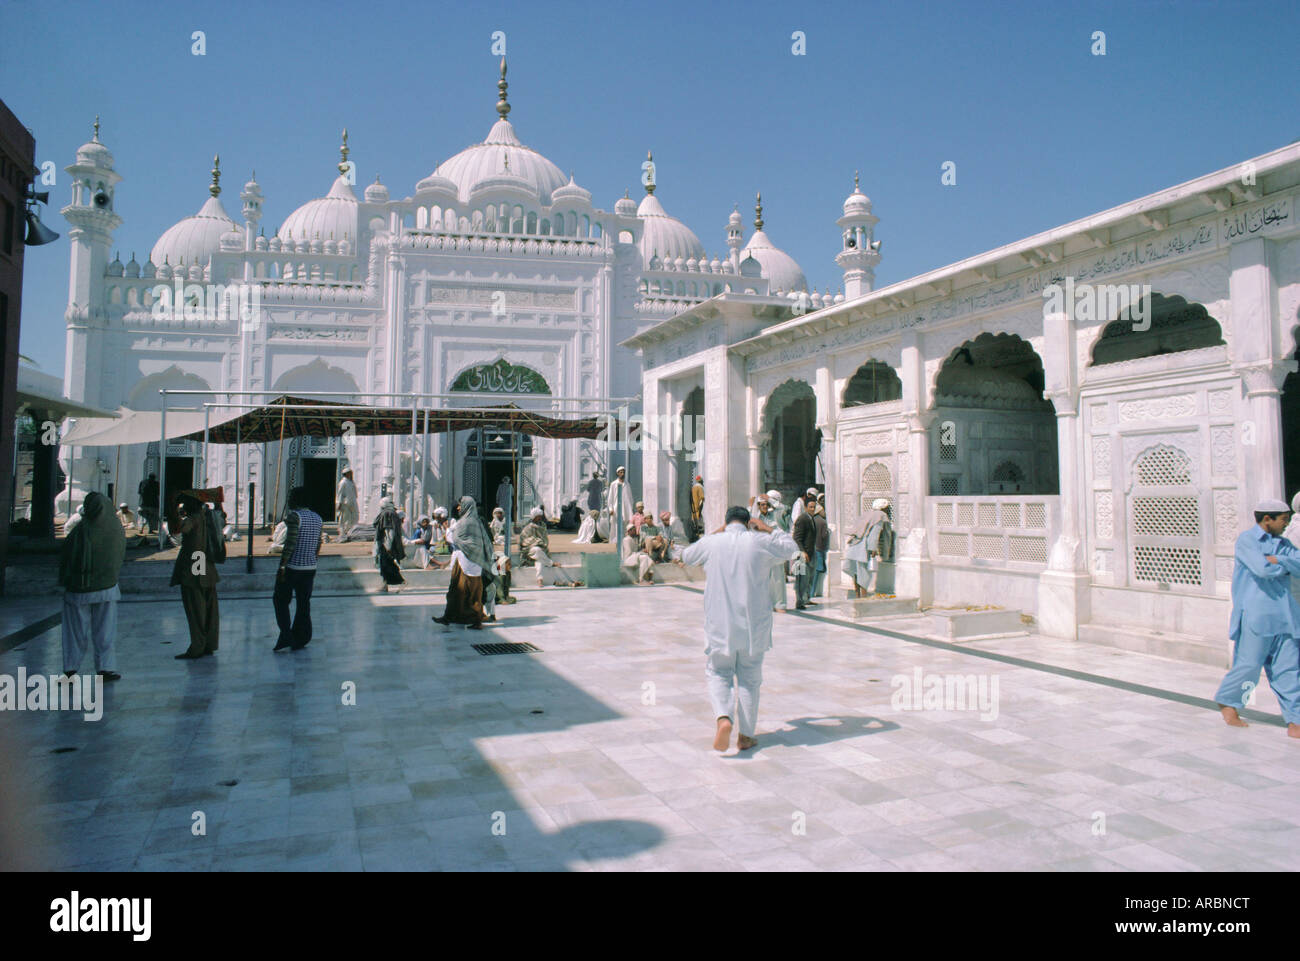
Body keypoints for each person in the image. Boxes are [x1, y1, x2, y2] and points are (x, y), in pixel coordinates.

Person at [681, 505, 799, 752]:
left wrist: (716, 533)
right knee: (750, 678)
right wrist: (769, 528)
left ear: (727, 522)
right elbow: (791, 548)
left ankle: (723, 717)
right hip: (753, 626)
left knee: (718, 672)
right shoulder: (759, 541)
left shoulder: (713, 543)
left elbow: (687, 555)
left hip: (720, 624)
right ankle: (745, 735)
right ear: (748, 523)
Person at [1213, 498, 1300, 738]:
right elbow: (1262, 569)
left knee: (1290, 670)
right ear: (1267, 519)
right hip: (1256, 616)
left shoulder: (1284, 544)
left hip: (1286, 616)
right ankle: (1229, 702)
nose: (1286, 524)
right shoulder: (1247, 541)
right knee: (1249, 668)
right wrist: (1287, 565)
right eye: (1284, 520)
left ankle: (1296, 720)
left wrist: (1280, 560)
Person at [58, 491, 126, 681]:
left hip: (79, 589)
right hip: (107, 587)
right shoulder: (116, 529)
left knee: (74, 630)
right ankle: (106, 667)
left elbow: (67, 556)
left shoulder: (81, 530)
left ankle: (70, 667)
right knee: (105, 630)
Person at [170, 493, 220, 660]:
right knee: (209, 608)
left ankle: (198, 646)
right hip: (205, 564)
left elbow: (177, 530)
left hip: (195, 565)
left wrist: (173, 510)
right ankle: (209, 643)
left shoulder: (193, 519)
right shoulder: (208, 516)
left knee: (196, 609)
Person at [273, 486, 323, 652]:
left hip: (293, 567)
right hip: (310, 567)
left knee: (280, 600)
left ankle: (286, 633)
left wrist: (282, 565)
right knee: (303, 603)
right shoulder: (318, 518)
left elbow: (290, 543)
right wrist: (312, 559)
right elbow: (318, 544)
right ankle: (301, 637)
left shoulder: (295, 517)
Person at [434, 495, 494, 628]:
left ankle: (475, 620)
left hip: (468, 561)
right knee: (457, 590)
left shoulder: (466, 522)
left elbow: (453, 539)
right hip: (466, 560)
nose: (459, 507)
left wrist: (448, 529)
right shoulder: (474, 521)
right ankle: (450, 617)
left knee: (470, 592)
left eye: (461, 504)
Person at [519, 506, 583, 587]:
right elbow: (525, 540)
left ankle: (540, 579)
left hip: (542, 549)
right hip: (529, 549)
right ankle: (551, 563)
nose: (540, 518)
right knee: (537, 550)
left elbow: (545, 539)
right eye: (538, 516)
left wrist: (541, 543)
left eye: (540, 516)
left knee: (540, 561)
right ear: (534, 517)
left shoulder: (542, 526)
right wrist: (537, 542)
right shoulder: (528, 527)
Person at [846, 498, 893, 598]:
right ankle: (863, 596)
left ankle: (858, 595)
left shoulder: (867, 514)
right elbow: (874, 534)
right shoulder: (880, 515)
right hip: (863, 548)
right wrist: (873, 549)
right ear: (883, 508)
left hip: (853, 545)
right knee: (864, 574)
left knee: (856, 572)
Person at [752, 495, 789, 612]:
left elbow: (784, 508)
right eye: (762, 505)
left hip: (774, 552)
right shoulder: (754, 518)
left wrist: (770, 499)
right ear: (758, 506)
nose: (764, 507)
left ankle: (779, 604)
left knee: (778, 579)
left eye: (766, 505)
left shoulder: (774, 516)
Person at [373, 496, 406, 593]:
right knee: (384, 565)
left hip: (386, 544)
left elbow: (389, 530)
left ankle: (402, 582)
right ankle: (385, 585)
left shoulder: (388, 513)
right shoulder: (392, 513)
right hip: (388, 543)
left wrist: (388, 545)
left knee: (388, 565)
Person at [792, 494, 817, 609]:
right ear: (806, 507)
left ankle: (806, 599)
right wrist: (802, 551)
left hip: (810, 553)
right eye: (810, 507)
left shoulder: (811, 519)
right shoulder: (802, 519)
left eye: (814, 507)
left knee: (808, 578)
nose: (812, 509)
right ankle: (800, 601)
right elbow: (797, 537)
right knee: (801, 579)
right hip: (802, 554)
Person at [809, 501, 830, 600]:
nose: (824, 512)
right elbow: (824, 536)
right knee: (818, 570)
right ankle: (812, 592)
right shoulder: (822, 521)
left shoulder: (811, 520)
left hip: (811, 548)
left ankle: (810, 591)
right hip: (819, 548)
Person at [608, 465, 634, 532]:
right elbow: (610, 497)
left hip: (626, 507)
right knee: (617, 524)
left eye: (623, 472)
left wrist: (631, 507)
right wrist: (611, 509)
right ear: (618, 473)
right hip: (617, 507)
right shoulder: (613, 484)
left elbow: (630, 497)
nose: (622, 474)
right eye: (621, 472)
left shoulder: (627, 484)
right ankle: (617, 540)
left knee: (627, 523)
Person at [336, 467, 358, 542]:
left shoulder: (351, 482)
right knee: (345, 520)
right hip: (345, 504)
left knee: (353, 518)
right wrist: (339, 503)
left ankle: (350, 534)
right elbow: (340, 494)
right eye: (349, 473)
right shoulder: (343, 482)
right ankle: (343, 535)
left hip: (352, 503)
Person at [690, 474, 705, 540]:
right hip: (697, 507)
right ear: (701, 481)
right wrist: (700, 507)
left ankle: (695, 534)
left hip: (693, 507)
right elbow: (701, 499)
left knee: (694, 521)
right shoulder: (700, 487)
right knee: (699, 521)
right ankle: (698, 534)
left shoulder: (693, 487)